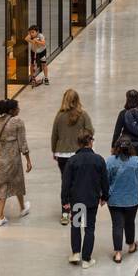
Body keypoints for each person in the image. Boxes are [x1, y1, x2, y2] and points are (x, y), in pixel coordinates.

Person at [60, 129, 109, 269]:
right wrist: (105, 196)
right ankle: (86, 259)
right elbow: (104, 181)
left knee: (76, 225)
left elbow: (66, 183)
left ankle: (76, 253)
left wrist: (65, 201)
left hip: (77, 201)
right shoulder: (98, 160)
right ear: (90, 142)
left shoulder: (72, 161)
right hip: (92, 201)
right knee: (89, 228)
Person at [51, 88, 93, 224]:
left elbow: (54, 136)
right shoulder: (83, 115)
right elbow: (90, 131)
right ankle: (78, 213)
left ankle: (65, 213)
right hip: (78, 153)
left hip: (62, 154)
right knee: (79, 182)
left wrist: (54, 151)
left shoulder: (59, 116)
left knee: (66, 183)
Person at [0, 98, 31, 226]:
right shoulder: (18, 122)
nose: (19, 109)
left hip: (0, 158)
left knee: (2, 184)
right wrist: (28, 160)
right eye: (17, 108)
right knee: (17, 181)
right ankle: (20, 209)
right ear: (12, 111)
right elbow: (23, 143)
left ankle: (3, 215)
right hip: (13, 158)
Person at [105, 137, 138, 263]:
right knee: (129, 222)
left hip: (114, 199)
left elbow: (105, 179)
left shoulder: (110, 161)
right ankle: (131, 245)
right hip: (132, 199)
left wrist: (104, 195)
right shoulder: (136, 161)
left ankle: (118, 253)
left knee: (117, 225)